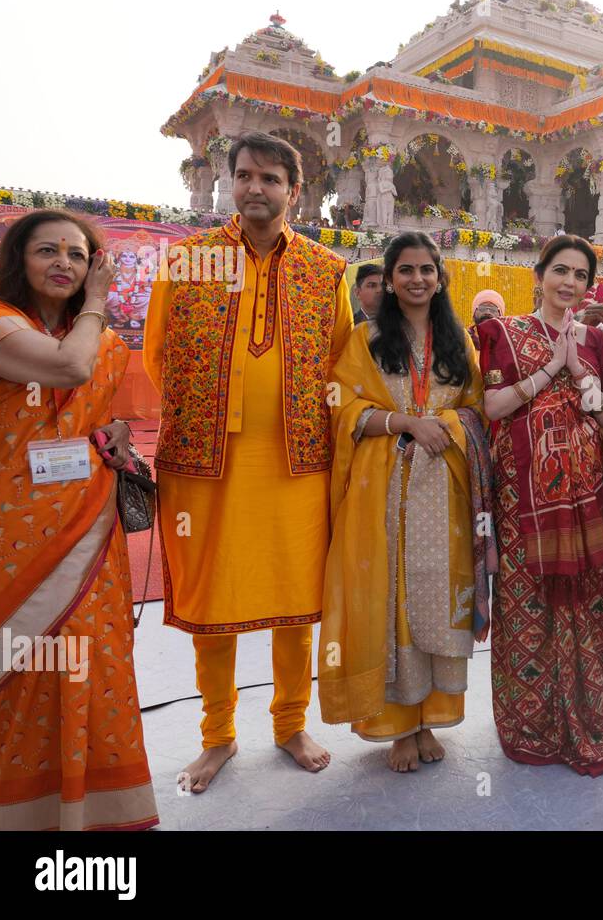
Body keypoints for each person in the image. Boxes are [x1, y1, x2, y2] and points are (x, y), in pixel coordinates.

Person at [144, 132, 353, 792]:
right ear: (230, 183)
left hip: (298, 462)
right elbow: (157, 354)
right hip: (205, 463)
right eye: (243, 176)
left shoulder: (326, 270)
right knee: (214, 598)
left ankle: (290, 724)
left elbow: (343, 362)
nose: (254, 187)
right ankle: (217, 736)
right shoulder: (189, 260)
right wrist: (208, 412)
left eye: (269, 178)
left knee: (295, 601)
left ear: (296, 191)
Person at [0, 210, 159, 830]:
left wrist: (113, 436)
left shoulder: (109, 345)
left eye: (78, 255)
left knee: (91, 662)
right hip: (8, 535)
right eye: (47, 251)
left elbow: (95, 406)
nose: (63, 263)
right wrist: (99, 301)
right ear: (17, 261)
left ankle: (90, 813)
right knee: (16, 668)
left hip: (89, 530)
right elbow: (67, 368)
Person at [320, 232, 491, 772]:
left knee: (438, 600)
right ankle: (398, 726)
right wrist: (404, 422)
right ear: (389, 281)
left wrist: (443, 424)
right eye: (406, 270)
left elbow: (477, 409)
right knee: (389, 599)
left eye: (426, 270)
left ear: (439, 279)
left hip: (445, 491)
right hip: (384, 489)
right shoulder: (365, 341)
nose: (417, 279)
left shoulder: (458, 340)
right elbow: (342, 409)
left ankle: (429, 717)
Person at [477, 235, 603, 776]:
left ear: (589, 284)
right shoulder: (503, 332)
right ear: (539, 275)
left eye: (580, 275)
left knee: (586, 607)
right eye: (559, 270)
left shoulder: (596, 341)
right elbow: (493, 406)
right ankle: (529, 727)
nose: (569, 282)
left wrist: (579, 370)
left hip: (583, 496)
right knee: (526, 606)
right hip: (522, 501)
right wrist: (547, 371)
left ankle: (583, 718)